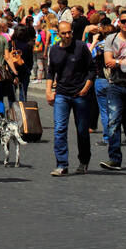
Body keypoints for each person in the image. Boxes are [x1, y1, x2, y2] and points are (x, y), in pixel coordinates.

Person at [46, 18, 94, 176]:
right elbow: (51, 72)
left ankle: (84, 161)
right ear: (58, 34)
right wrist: (48, 91)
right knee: (59, 129)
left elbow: (92, 69)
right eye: (64, 33)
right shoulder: (54, 50)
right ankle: (61, 164)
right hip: (61, 94)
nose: (68, 35)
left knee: (81, 131)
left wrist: (86, 87)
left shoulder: (80, 47)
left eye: (70, 32)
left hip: (80, 94)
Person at [100, 7, 126, 171]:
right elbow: (107, 61)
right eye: (124, 21)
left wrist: (118, 62)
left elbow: (114, 62)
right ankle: (114, 159)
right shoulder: (111, 39)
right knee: (113, 123)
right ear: (118, 22)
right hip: (115, 86)